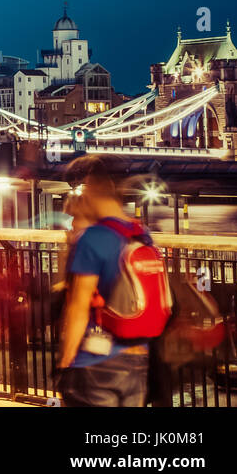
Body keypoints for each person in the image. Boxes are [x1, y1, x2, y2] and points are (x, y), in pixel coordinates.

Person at [57, 155, 162, 407]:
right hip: (138, 357)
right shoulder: (140, 232)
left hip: (96, 362)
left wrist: (65, 364)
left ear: (93, 188)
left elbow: (79, 308)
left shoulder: (93, 238)